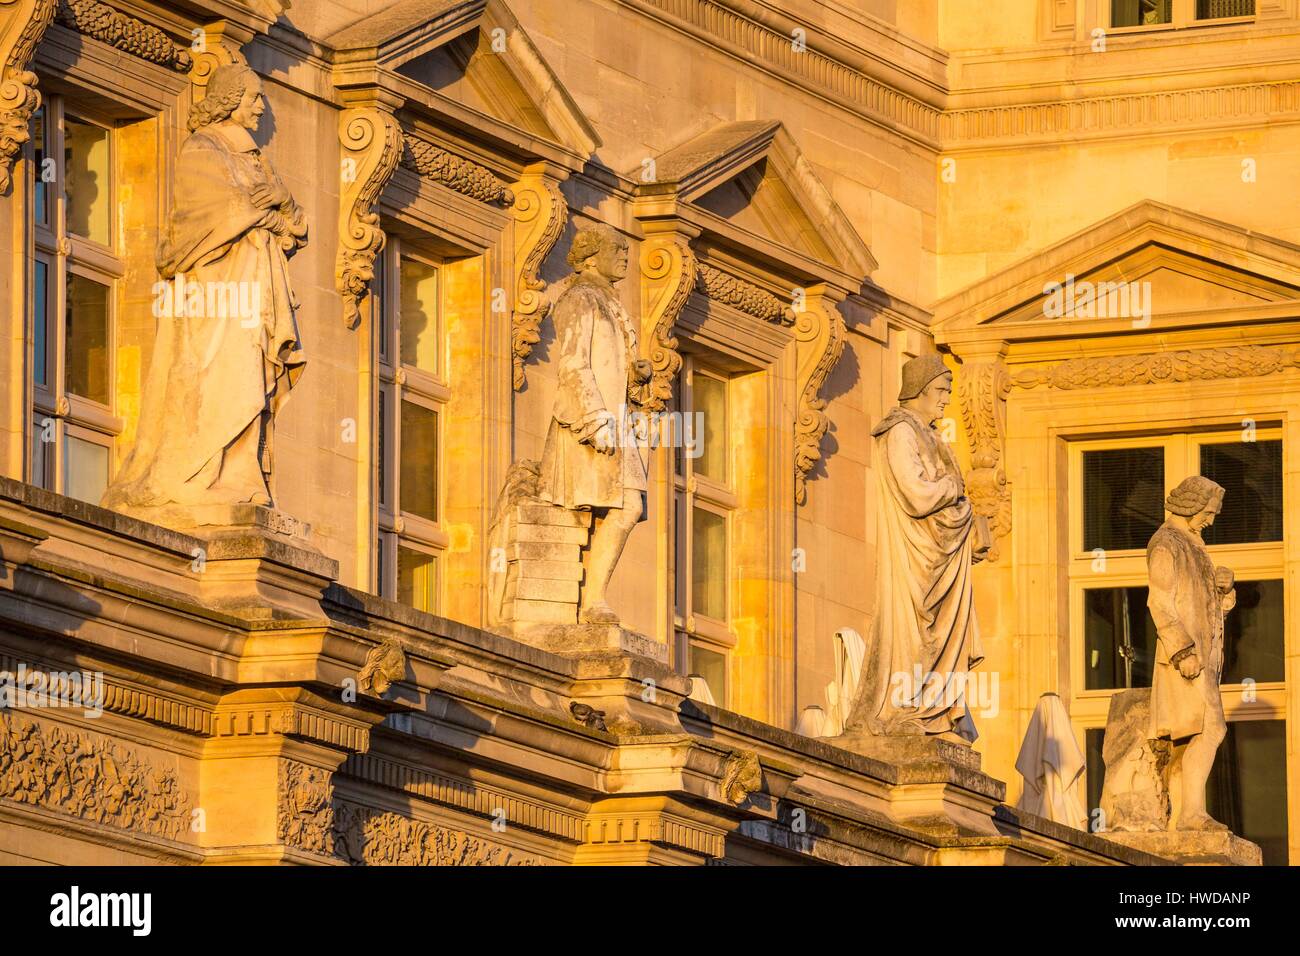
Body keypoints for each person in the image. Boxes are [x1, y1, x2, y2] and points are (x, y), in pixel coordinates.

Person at [103, 64, 307, 513]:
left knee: (251, 376)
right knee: (223, 377)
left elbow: (294, 223)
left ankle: (241, 475)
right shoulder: (203, 148)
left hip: (254, 288)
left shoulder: (256, 158)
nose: (261, 107)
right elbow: (207, 218)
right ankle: (203, 473)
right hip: (218, 295)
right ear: (230, 100)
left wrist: (281, 204)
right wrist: (268, 215)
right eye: (254, 97)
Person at [843, 354, 988, 742]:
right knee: (914, 632)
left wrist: (969, 521)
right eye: (940, 390)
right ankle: (907, 709)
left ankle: (935, 715)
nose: (945, 399)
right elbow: (917, 493)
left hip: (941, 553)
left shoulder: (933, 436)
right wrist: (953, 490)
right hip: (916, 556)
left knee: (941, 634)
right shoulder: (901, 432)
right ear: (919, 390)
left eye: (947, 391)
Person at [537, 225, 652, 624]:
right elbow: (574, 364)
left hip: (617, 424)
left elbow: (609, 367)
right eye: (616, 249)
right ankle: (589, 601)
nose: (625, 255)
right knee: (615, 507)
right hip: (589, 426)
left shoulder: (610, 303)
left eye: (626, 249)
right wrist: (594, 419)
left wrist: (635, 376)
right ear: (590, 257)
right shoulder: (580, 298)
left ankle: (591, 598)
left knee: (628, 507)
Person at [1146, 475, 1235, 831]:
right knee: (1209, 728)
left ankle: (1186, 813)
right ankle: (1191, 812)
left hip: (1200, 657)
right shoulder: (1167, 543)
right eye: (1208, 512)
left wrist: (1222, 590)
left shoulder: (1192, 543)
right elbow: (1160, 602)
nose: (1210, 520)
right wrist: (1182, 651)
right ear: (1191, 505)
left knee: (1195, 733)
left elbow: (1205, 607)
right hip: (1183, 659)